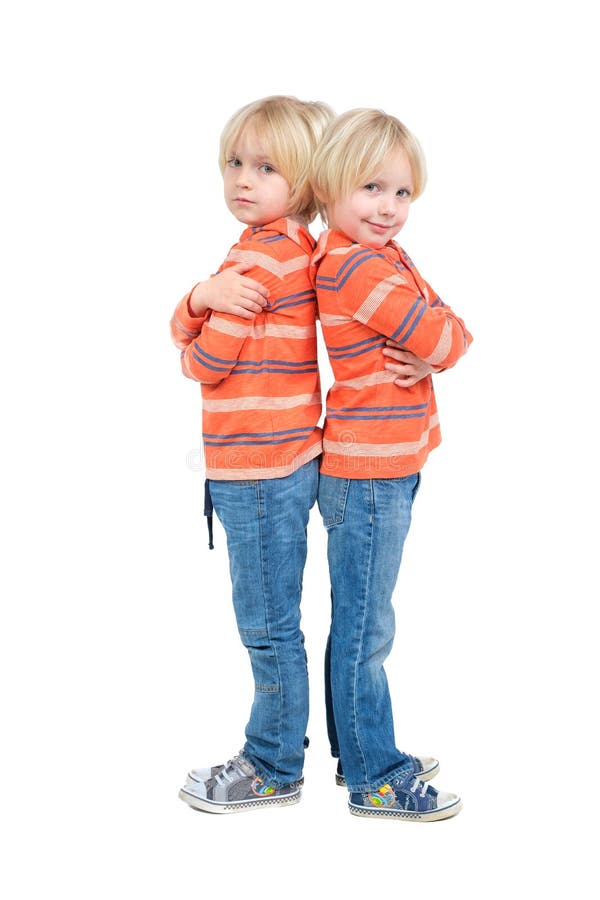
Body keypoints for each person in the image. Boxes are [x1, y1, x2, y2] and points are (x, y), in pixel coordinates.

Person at [170, 95, 333, 814]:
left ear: (303, 183)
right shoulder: (282, 246)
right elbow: (194, 324)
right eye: (234, 162)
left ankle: (271, 764)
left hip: (260, 468)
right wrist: (202, 294)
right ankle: (281, 753)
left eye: (266, 168)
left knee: (267, 624)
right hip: (275, 459)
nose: (243, 178)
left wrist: (198, 309)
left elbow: (201, 362)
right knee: (275, 617)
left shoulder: (261, 257)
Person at [310, 108, 473, 821]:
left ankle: (358, 747)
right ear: (332, 188)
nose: (389, 208)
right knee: (366, 627)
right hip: (369, 472)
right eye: (372, 189)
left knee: (362, 619)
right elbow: (438, 331)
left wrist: (445, 339)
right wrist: (444, 342)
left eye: (403, 194)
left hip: (387, 463)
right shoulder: (354, 265)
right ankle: (375, 772)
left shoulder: (381, 256)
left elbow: (447, 326)